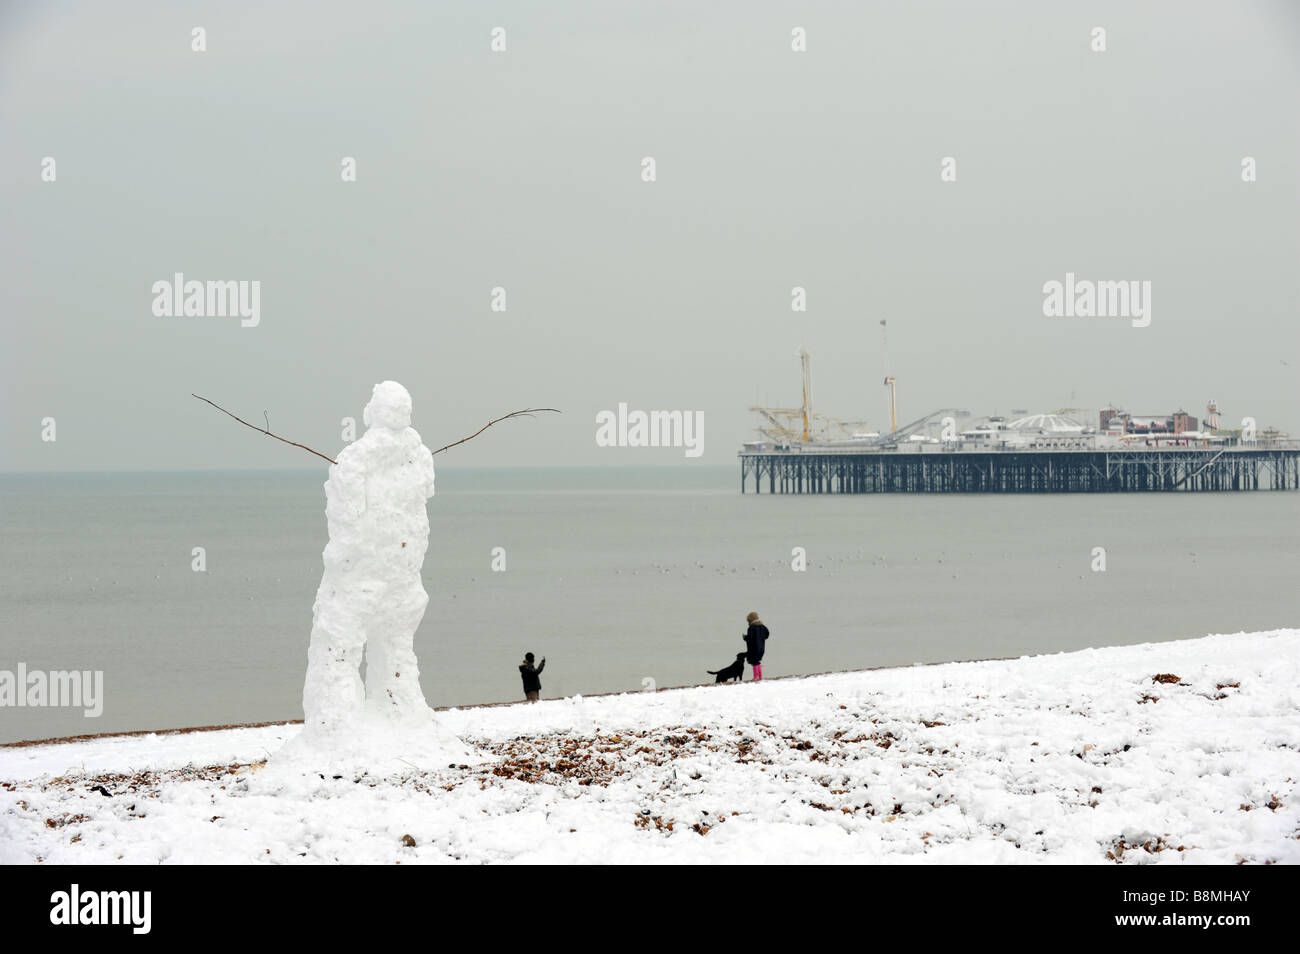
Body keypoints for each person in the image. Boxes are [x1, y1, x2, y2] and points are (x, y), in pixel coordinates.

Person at [743, 611, 769, 681]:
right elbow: (767, 635)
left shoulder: (751, 628)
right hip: (761, 648)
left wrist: (745, 637)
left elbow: (750, 638)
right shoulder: (763, 627)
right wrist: (761, 638)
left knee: (754, 661)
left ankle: (756, 677)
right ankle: (760, 676)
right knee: (757, 661)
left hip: (754, 648)